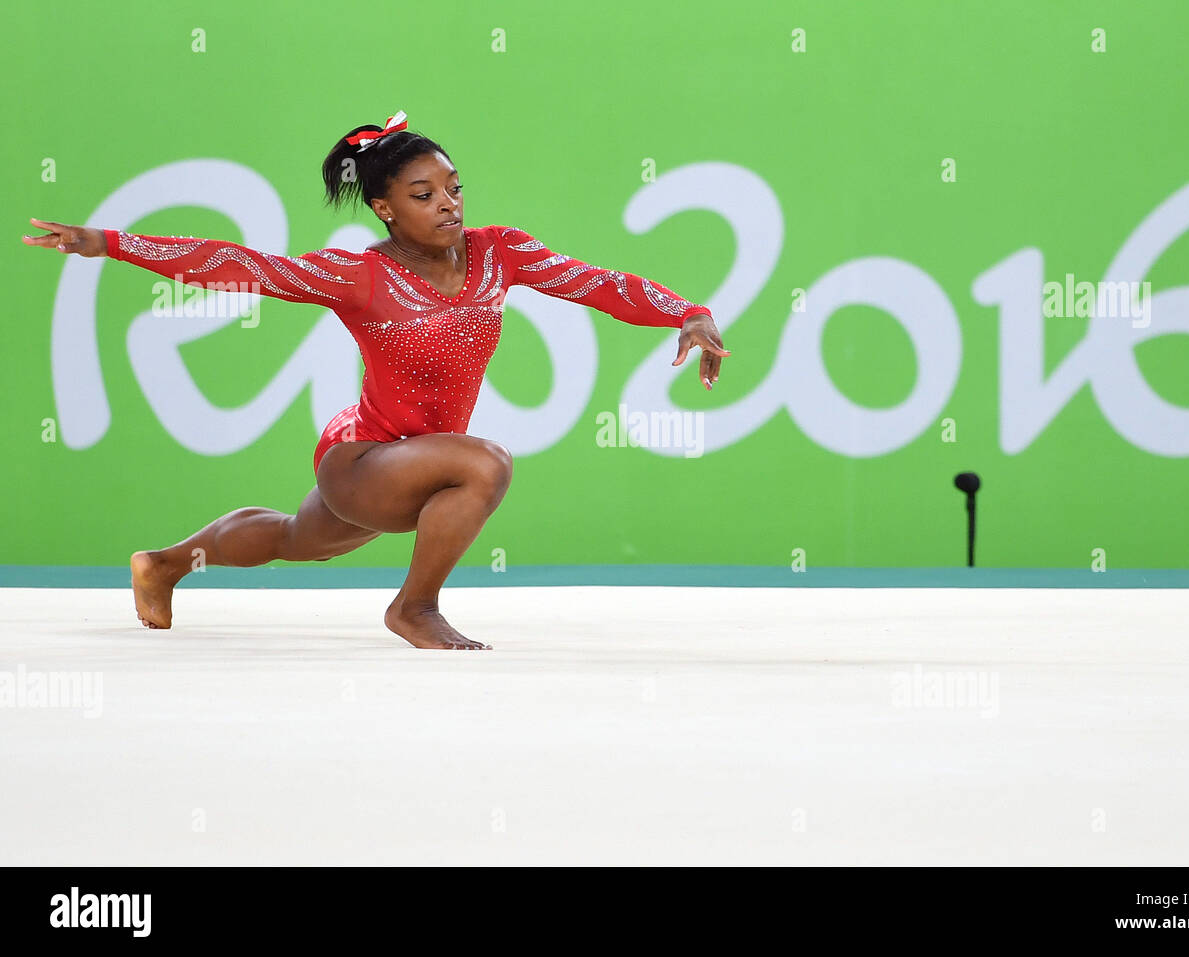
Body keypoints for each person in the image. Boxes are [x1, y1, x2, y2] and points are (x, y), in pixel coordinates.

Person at [22, 111, 731, 650]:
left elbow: (598, 283)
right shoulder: (360, 275)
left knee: (293, 537)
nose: (449, 204)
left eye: (454, 187)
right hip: (363, 460)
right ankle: (414, 607)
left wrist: (688, 313)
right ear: (386, 209)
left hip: (416, 467)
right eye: (424, 195)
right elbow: (237, 263)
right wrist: (110, 242)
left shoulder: (499, 253)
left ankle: (164, 563)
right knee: (486, 462)